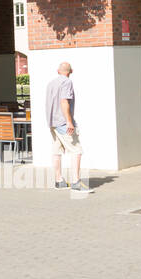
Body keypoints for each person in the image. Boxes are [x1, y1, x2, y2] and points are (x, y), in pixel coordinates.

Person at [45, 62, 90, 192]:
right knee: (76, 150)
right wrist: (69, 122)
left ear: (57, 70)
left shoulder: (51, 84)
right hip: (62, 122)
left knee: (57, 150)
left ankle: (59, 181)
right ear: (71, 71)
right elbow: (64, 101)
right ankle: (76, 182)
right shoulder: (67, 82)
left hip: (52, 122)